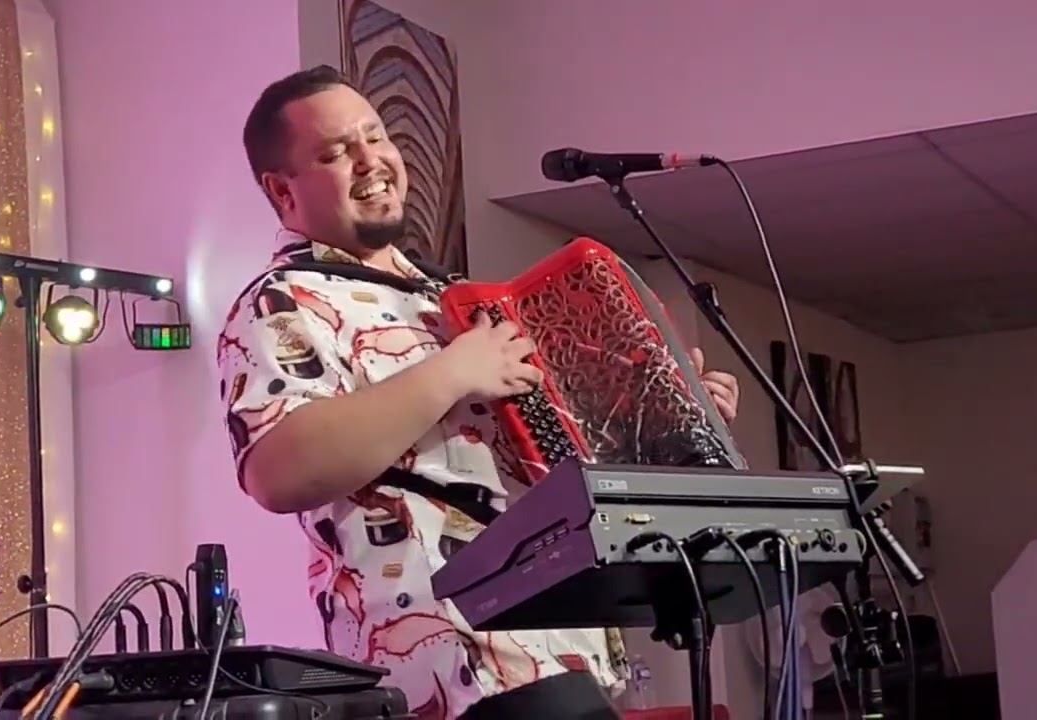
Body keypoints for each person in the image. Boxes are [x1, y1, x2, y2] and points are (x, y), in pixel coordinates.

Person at [218, 65, 742, 720]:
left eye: (375, 136)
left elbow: (568, 460)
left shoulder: (454, 298)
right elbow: (279, 470)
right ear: (281, 191)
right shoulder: (279, 300)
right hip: (448, 664)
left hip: (567, 643)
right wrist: (452, 371)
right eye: (334, 152)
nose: (370, 160)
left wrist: (667, 419)